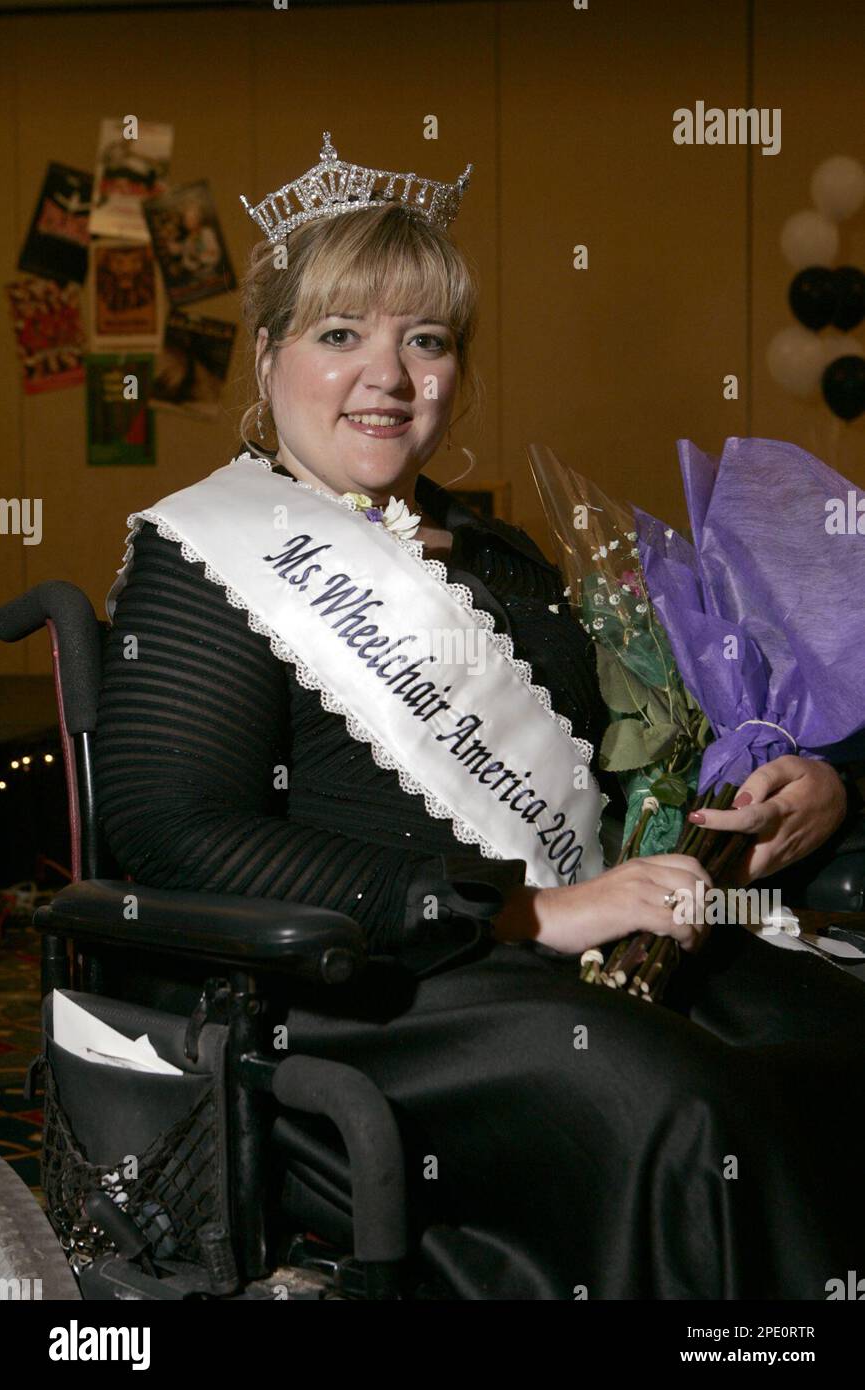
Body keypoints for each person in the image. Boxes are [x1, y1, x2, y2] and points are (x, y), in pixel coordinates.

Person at [94, 132, 865, 1301]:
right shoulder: (203, 557)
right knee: (683, 1104)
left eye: (426, 339)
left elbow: (622, 775)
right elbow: (170, 829)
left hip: (566, 953)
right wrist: (523, 909)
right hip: (361, 989)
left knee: (829, 1029)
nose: (387, 376)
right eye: (339, 334)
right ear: (266, 358)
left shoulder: (502, 557)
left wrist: (786, 784)